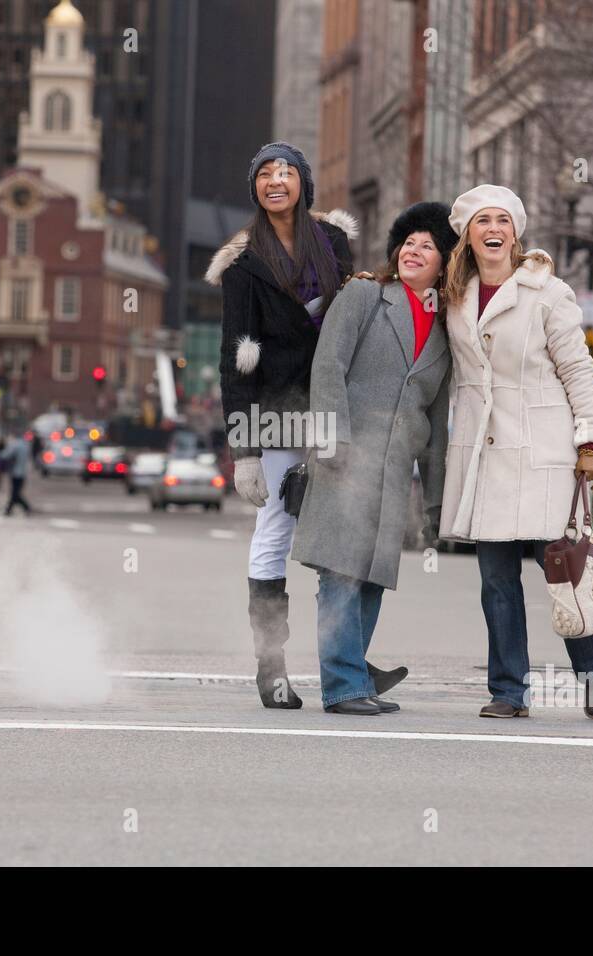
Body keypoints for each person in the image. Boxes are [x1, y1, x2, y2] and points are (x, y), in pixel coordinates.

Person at [205, 140, 381, 710]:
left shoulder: (333, 244)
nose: (275, 181)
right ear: (255, 188)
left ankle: (348, 663)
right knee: (275, 533)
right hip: (276, 414)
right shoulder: (243, 264)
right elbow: (236, 358)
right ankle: (272, 666)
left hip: (331, 410)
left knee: (343, 534)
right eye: (264, 175)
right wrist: (245, 450)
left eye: (285, 172)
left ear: (304, 182)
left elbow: (356, 325)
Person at [437, 185, 593, 720]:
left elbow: (578, 369)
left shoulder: (548, 291)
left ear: (515, 233)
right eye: (482, 221)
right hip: (485, 457)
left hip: (544, 452)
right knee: (496, 581)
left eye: (503, 221)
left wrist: (592, 441)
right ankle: (508, 691)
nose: (494, 229)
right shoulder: (454, 294)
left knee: (563, 572)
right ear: (468, 235)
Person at [292, 202, 457, 715]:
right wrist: (332, 439)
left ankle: (354, 674)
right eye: (409, 242)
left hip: (392, 475)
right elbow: (328, 367)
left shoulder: (447, 332)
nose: (414, 249)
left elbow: (437, 416)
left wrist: (434, 500)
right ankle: (342, 685)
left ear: (446, 264)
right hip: (345, 458)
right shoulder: (364, 294)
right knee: (340, 571)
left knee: (371, 576)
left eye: (428, 245)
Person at [0, 432, 32, 516]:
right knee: (15, 492)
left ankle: (25, 507)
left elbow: (5, 455)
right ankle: (9, 510)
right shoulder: (25, 445)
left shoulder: (15, 445)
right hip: (23, 472)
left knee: (15, 493)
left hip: (15, 472)